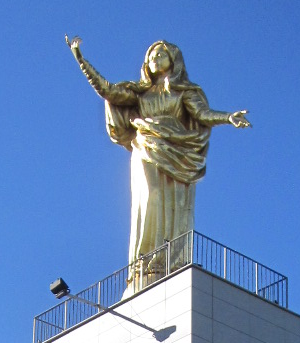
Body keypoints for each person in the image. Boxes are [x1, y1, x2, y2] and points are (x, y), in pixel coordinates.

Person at [66, 37, 250, 272]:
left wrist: (228, 117)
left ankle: (172, 259)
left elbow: (202, 114)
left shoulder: (183, 93)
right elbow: (107, 90)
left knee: (177, 203)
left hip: (178, 151)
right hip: (146, 146)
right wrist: (81, 59)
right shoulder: (140, 94)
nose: (155, 59)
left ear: (174, 61)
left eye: (161, 55)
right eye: (151, 56)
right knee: (150, 196)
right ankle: (144, 261)